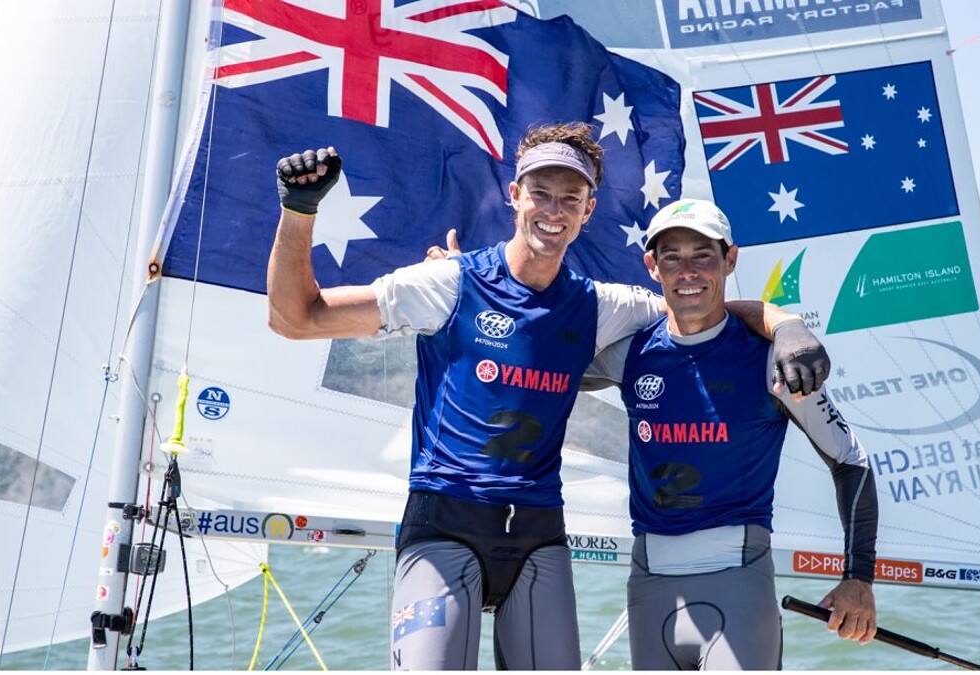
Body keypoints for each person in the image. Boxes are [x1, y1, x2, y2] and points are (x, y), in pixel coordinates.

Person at [266, 123, 830, 670]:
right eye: (540, 193)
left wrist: (786, 325)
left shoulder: (603, 305)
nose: (553, 211)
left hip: (538, 537)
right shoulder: (448, 283)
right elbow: (297, 318)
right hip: (444, 523)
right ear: (515, 196)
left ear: (588, 211)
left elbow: (697, 305)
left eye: (571, 198)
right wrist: (299, 210)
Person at [583, 198, 879, 670]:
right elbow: (534, 364)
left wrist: (858, 578)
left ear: (730, 259)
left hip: (738, 582)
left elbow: (851, 462)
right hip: (649, 585)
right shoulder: (630, 354)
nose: (688, 270)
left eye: (703, 255)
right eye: (671, 257)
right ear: (651, 267)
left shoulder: (773, 360)